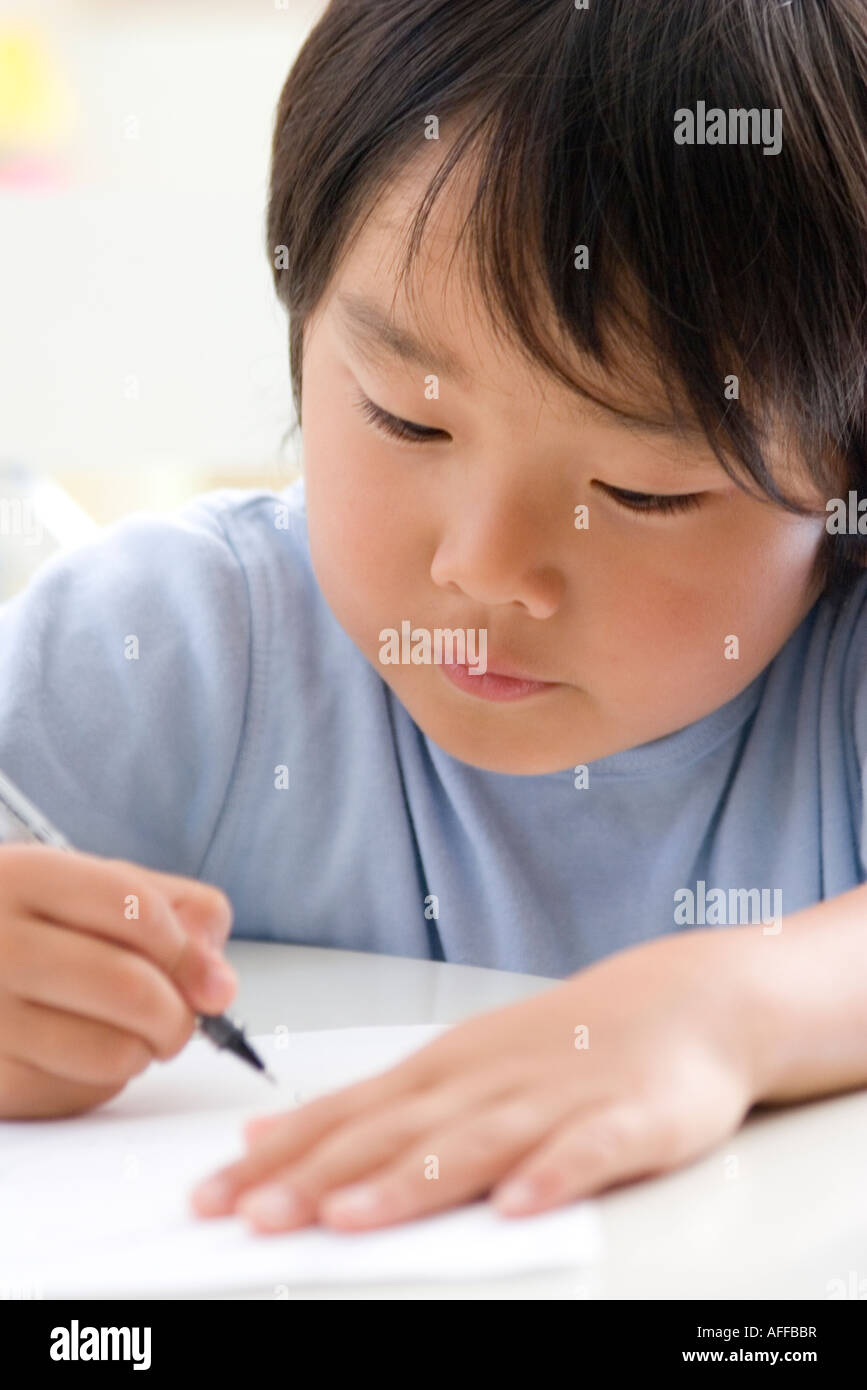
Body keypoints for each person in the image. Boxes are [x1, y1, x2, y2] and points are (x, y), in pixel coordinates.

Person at [1, 0, 866, 1234]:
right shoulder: (183, 650)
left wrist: (728, 1012)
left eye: (645, 491)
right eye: (408, 417)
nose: (487, 566)